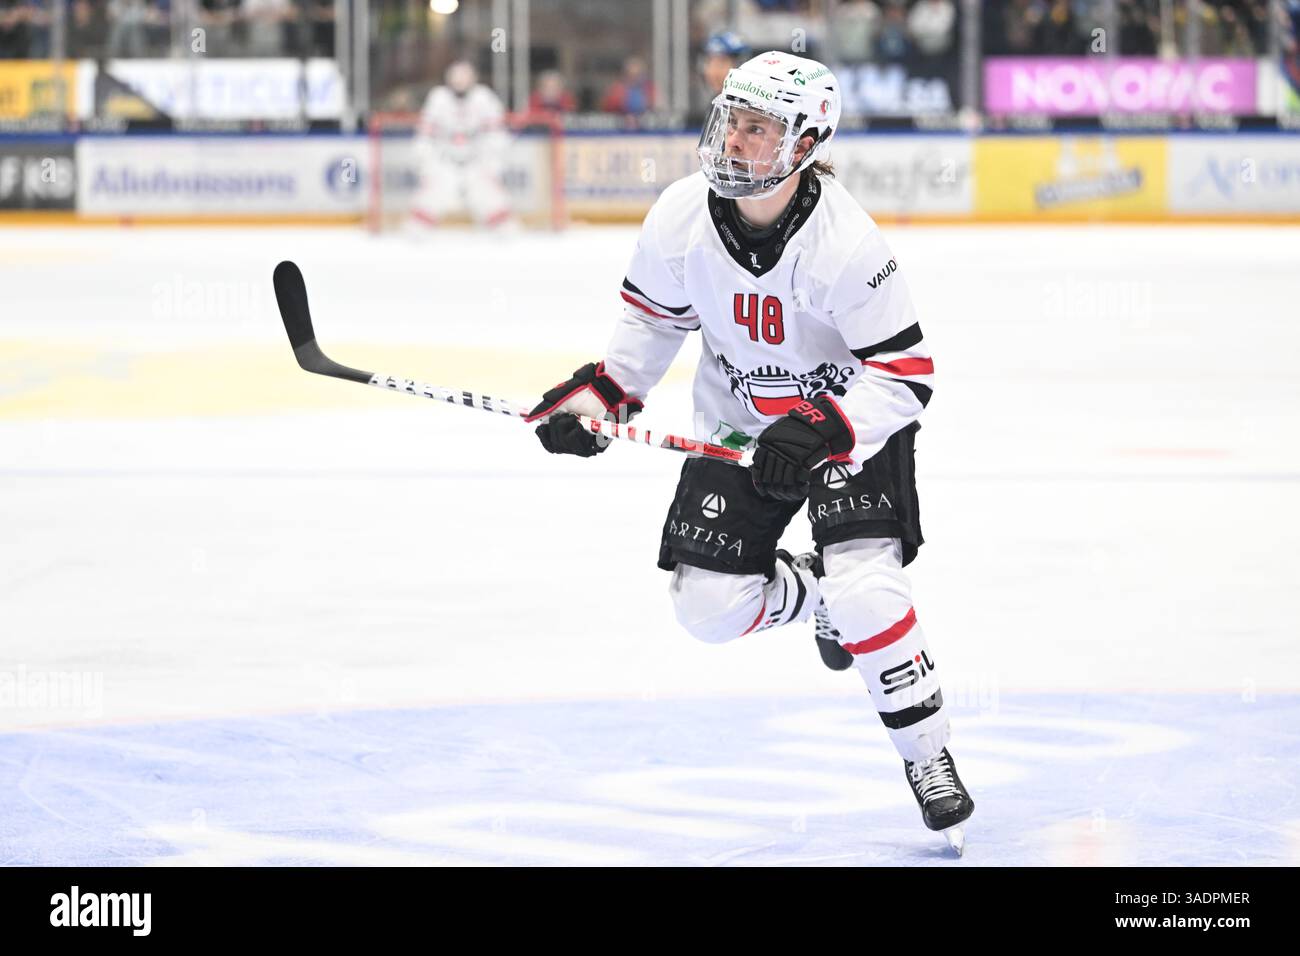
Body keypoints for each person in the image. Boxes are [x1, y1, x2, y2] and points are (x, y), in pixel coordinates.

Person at [525, 51, 974, 851]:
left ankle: (926, 753)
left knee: (870, 589)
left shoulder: (848, 243)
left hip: (845, 429)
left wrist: (823, 428)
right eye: (732, 118)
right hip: (737, 423)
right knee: (706, 610)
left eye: (758, 128)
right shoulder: (678, 217)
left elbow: (906, 379)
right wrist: (598, 399)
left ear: (804, 144)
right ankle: (816, 599)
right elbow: (649, 333)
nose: (735, 139)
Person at [410, 59, 514, 231]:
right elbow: (425, 134)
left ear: (473, 78)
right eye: (456, 77)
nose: (460, 81)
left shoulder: (484, 97)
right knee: (430, 199)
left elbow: (497, 133)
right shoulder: (438, 97)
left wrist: (493, 164)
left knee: (492, 201)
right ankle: (417, 242)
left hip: (476, 161)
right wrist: (426, 163)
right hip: (445, 161)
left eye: (464, 76)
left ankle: (503, 241)